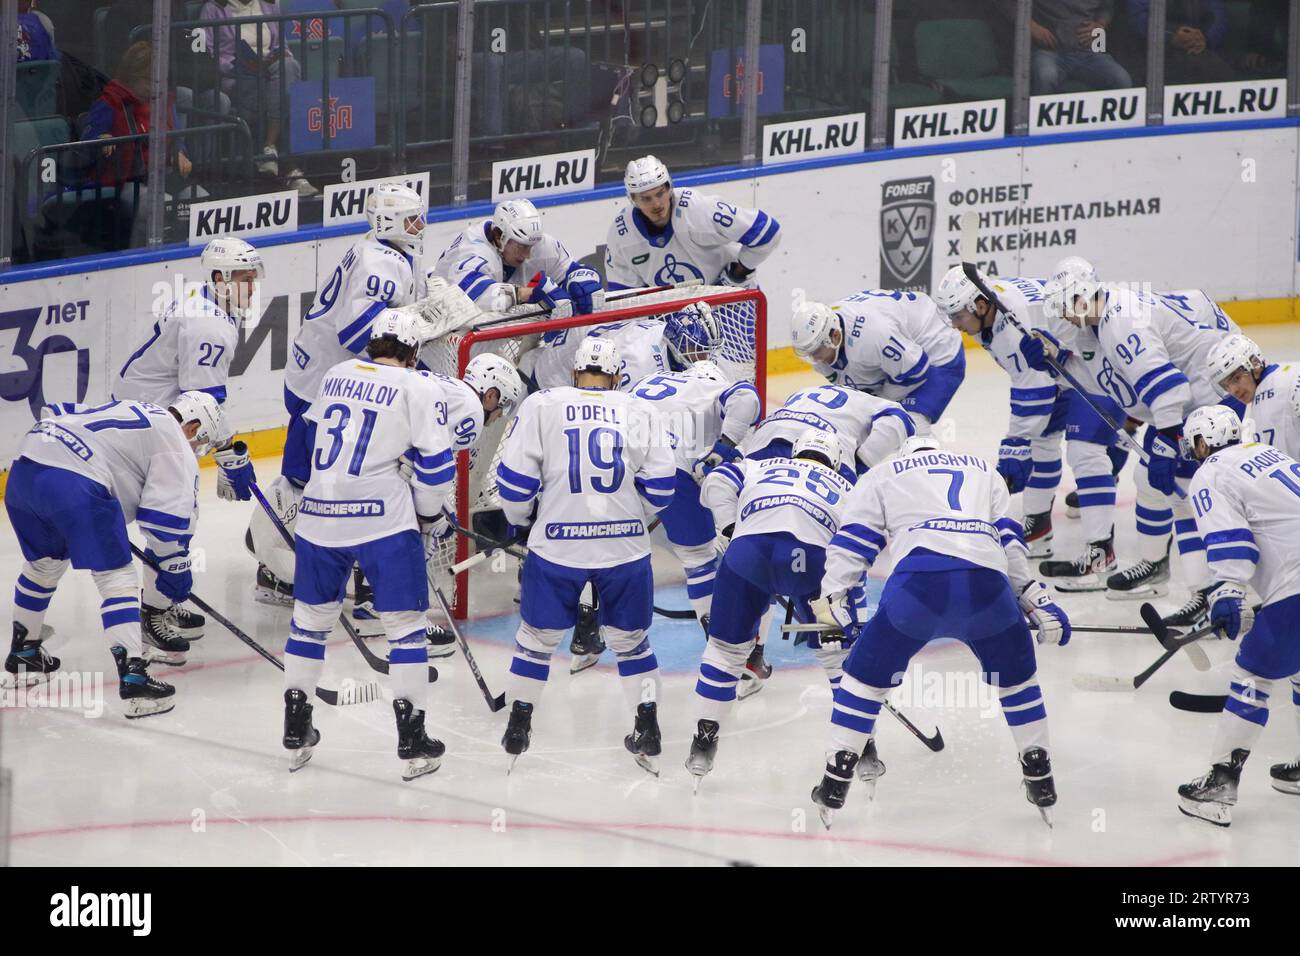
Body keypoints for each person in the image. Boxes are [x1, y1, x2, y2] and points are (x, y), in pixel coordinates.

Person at [807, 435, 1072, 828]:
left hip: (918, 590)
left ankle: (838, 773)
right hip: (987, 589)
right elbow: (1009, 540)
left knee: (864, 679)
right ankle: (1039, 769)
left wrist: (834, 601)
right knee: (1017, 680)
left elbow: (853, 544)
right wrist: (1033, 596)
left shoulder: (882, 473)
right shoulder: (984, 470)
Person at [281, 309, 454, 779]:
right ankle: (413, 739)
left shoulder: (337, 373)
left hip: (319, 516)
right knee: (404, 628)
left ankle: (296, 725)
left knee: (309, 622)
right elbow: (437, 470)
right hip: (382, 520)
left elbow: (304, 431)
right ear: (414, 351)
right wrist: (430, 515)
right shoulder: (418, 386)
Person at [493, 337, 676, 775]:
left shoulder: (542, 404)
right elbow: (662, 490)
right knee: (632, 645)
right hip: (625, 549)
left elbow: (515, 485)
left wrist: (523, 523)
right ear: (617, 378)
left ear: (574, 373)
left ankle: (519, 723)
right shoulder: (640, 409)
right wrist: (630, 517)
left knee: (536, 641)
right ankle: (647, 727)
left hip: (557, 547)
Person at [257, 183, 434, 604]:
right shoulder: (383, 261)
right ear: (388, 221)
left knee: (312, 474)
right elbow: (358, 332)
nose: (420, 226)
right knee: (315, 479)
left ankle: (284, 560)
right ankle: (277, 563)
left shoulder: (382, 249)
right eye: (412, 219)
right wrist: (411, 365)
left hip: (316, 376)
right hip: (323, 385)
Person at [4, 391, 230, 716]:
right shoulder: (175, 441)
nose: (196, 450)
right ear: (193, 427)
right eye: (200, 443)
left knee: (43, 565)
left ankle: (24, 654)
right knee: (117, 578)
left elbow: (55, 408)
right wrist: (176, 571)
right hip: (75, 482)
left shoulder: (134, 407)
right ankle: (135, 678)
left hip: (26, 468)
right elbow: (166, 524)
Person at [1043, 256, 1241, 625]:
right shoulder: (1102, 319)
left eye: (1066, 307)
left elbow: (1168, 390)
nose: (1064, 318)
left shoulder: (1121, 323)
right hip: (1197, 395)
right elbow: (1106, 381)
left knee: (1188, 495)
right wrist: (1059, 361)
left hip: (1215, 397)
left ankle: (1208, 593)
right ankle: (1156, 567)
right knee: (1149, 483)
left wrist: (1166, 443)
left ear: (1081, 297)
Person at [686, 428, 856, 789]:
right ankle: (859, 748)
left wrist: (730, 527)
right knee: (838, 655)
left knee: (724, 650)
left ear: (797, 451)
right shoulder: (848, 488)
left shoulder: (759, 465)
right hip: (813, 565)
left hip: (749, 554)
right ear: (837, 462)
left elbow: (716, 482)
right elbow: (861, 545)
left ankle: (703, 742)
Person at [933, 265, 1123, 586]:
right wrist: (1019, 444)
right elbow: (1035, 383)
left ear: (980, 306)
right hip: (1062, 367)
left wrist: (1013, 445)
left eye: (958, 316)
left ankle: (1101, 554)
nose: (955, 325)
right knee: (1043, 441)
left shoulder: (1010, 326)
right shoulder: (990, 308)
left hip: (1100, 366)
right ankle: (1039, 527)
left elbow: (1034, 391)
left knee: (1084, 453)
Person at [1175, 405, 1300, 825]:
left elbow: (1233, 541)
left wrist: (1228, 590)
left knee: (1253, 676)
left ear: (1202, 441)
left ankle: (1218, 788)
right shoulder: (1272, 455)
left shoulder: (1210, 470)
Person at [629, 358, 761, 627]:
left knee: (604, 543)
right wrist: (721, 450)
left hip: (614, 465)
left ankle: (587, 621)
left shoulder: (650, 379)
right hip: (668, 469)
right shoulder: (710, 390)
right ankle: (717, 636)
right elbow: (747, 398)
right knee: (698, 556)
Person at [790, 290, 965, 436]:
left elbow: (915, 370)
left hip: (939, 350)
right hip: (902, 352)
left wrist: (880, 405)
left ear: (835, 336)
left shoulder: (874, 335)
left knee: (908, 423)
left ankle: (928, 466)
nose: (815, 359)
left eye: (817, 352)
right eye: (808, 354)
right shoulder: (820, 340)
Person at [605, 155, 782, 291]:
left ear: (669, 188)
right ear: (632, 199)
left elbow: (767, 231)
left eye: (660, 193)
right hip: (672, 318)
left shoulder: (698, 210)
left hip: (731, 302)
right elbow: (622, 296)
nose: (657, 204)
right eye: (646, 199)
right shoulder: (621, 234)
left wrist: (737, 274)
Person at [198, 0, 316, 195]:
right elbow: (207, 53)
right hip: (235, 77)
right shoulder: (213, 9)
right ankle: (291, 171)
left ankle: (269, 147)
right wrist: (235, 66)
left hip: (270, 73)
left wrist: (274, 57)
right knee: (276, 92)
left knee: (289, 66)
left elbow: (282, 46)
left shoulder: (270, 3)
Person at [430, 199, 603, 315]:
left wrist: (580, 281)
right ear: (499, 235)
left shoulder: (537, 244)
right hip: (443, 332)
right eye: (521, 247)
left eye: (530, 247)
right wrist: (526, 294)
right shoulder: (473, 250)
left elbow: (571, 269)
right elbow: (469, 297)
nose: (527, 255)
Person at [1207, 333, 1299, 457]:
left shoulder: (1290, 379)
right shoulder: (1251, 410)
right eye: (1226, 386)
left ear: (1255, 363)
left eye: (1236, 378)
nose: (1233, 390)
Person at [1018, 0, 1133, 94]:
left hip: (1088, 52)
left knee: (1121, 79)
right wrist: (1031, 26)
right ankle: (1039, 121)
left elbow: (1106, 7)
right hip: (1046, 51)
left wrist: (1100, 25)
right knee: (1046, 75)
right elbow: (1006, 3)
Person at [1127, 0, 1235, 85]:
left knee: (1223, 76)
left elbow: (1219, 15)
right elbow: (1138, 18)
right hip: (1152, 56)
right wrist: (1171, 36)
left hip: (1200, 51)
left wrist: (1205, 39)